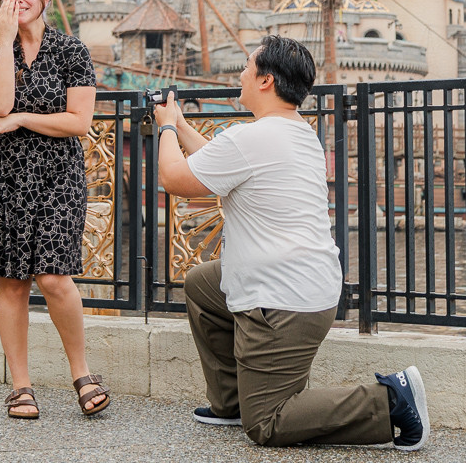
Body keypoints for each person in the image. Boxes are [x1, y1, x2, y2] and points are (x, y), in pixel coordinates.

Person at [153, 35, 430, 450]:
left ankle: (390, 400)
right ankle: (232, 402)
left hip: (282, 302)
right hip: (308, 285)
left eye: (247, 66)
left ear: (265, 81)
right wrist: (184, 125)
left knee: (267, 425)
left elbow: (174, 179)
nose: (240, 75)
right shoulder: (296, 132)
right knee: (200, 284)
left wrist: (168, 127)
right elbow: (218, 160)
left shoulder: (252, 139)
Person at [0, 0, 109, 420]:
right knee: (11, 281)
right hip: (0, 177)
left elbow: (79, 122)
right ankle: (21, 386)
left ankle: (82, 373)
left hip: (56, 176)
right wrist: (6, 42)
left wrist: (22, 120)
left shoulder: (72, 51)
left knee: (52, 276)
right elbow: (1, 101)